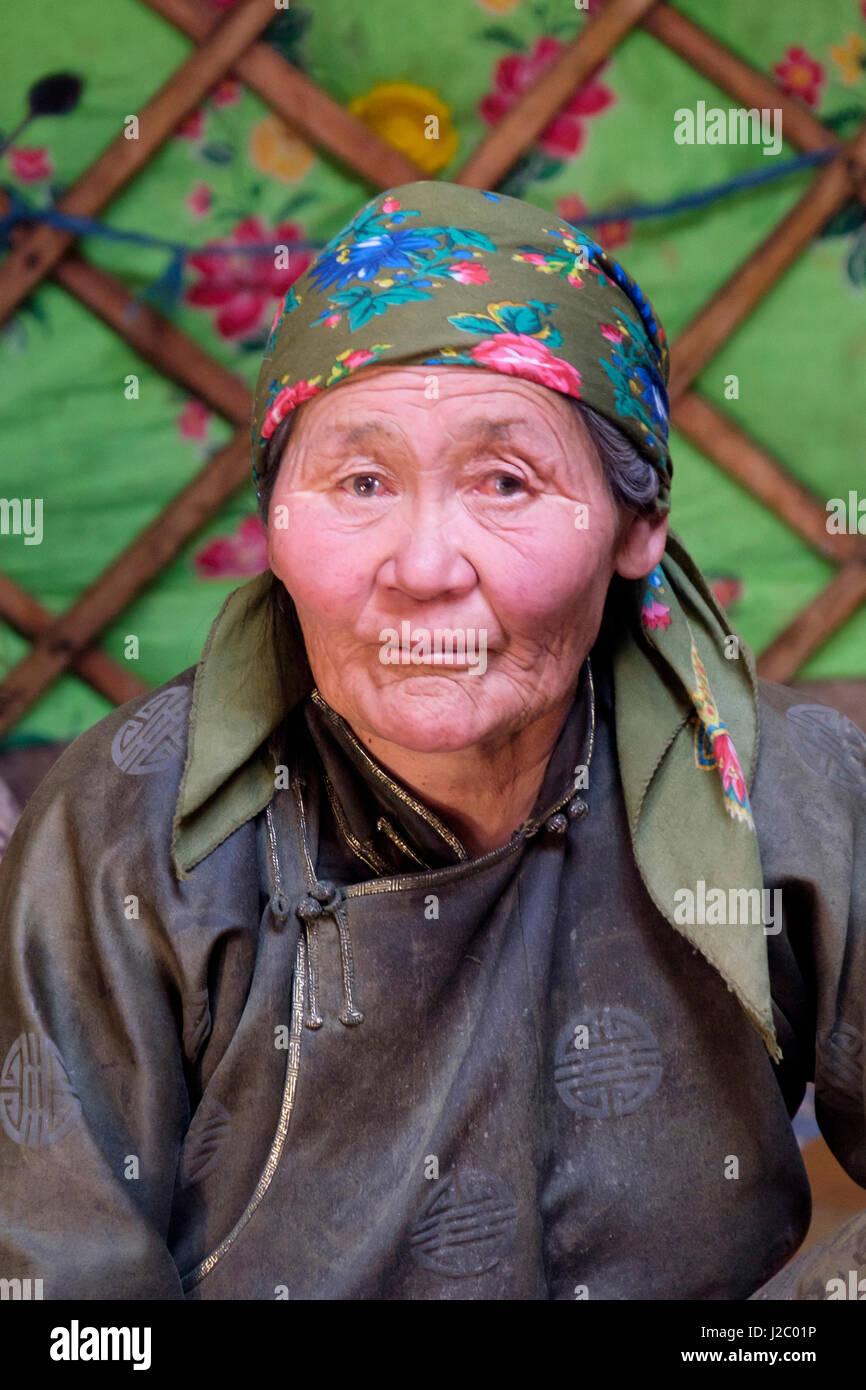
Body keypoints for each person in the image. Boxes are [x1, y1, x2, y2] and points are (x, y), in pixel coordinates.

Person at [0, 180, 864, 1301]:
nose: (420, 567)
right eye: (359, 482)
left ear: (636, 524)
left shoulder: (787, 790)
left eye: (504, 481)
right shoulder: (119, 828)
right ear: (271, 524)